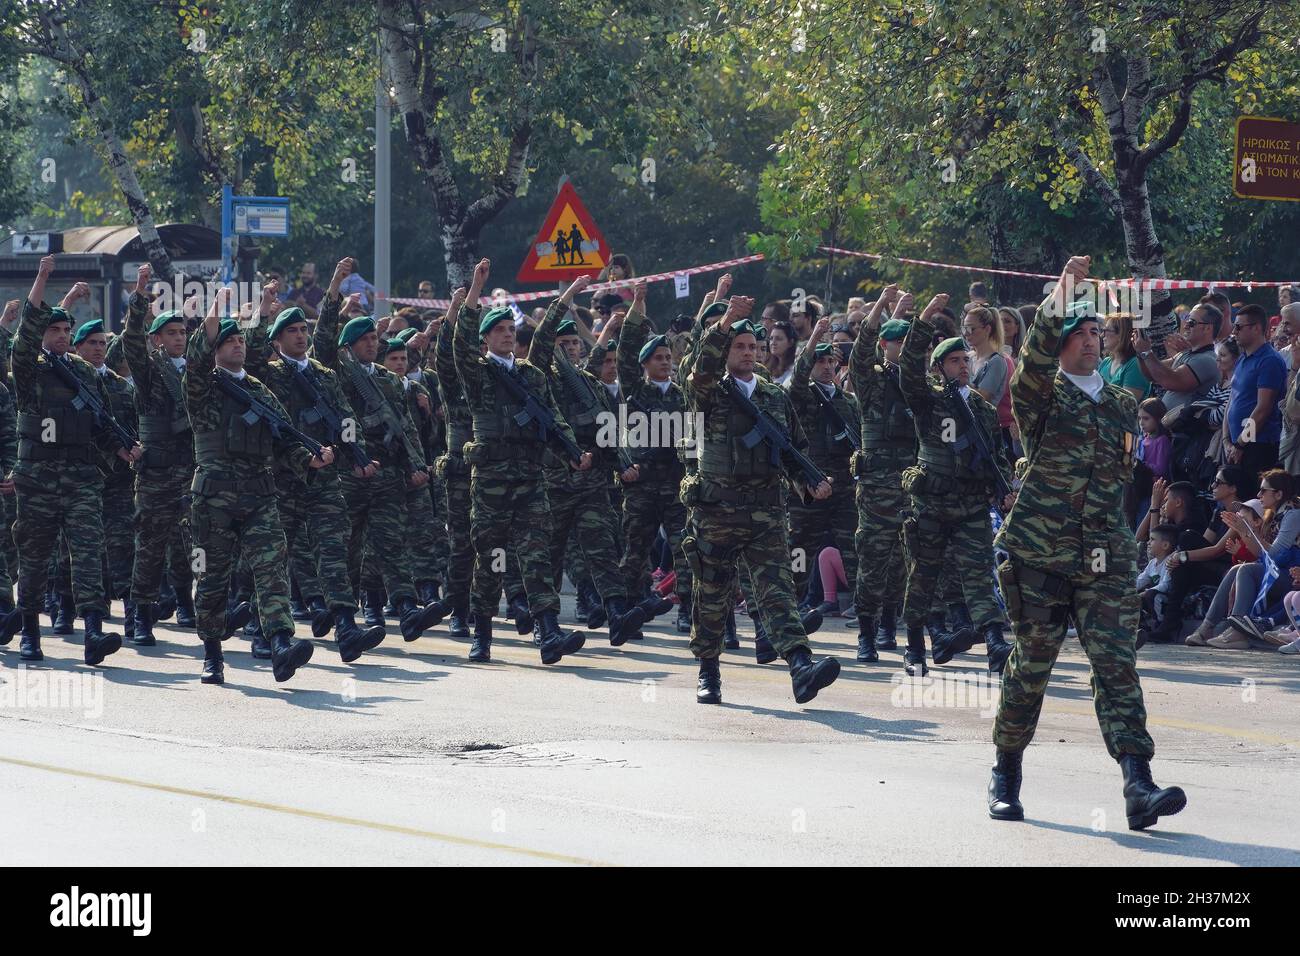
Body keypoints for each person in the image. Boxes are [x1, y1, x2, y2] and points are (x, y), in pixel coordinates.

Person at [989, 254, 1186, 831]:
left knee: (1117, 665)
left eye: (1097, 330)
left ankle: (1137, 782)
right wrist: (1063, 293)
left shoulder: (1123, 403)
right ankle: (1006, 773)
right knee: (1032, 666)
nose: (1092, 340)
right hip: (1042, 555)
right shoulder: (1042, 395)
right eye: (1080, 331)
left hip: (1105, 558)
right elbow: (1031, 357)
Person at [680, 293, 840, 705]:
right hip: (717, 510)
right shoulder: (710, 392)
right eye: (739, 346)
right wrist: (724, 322)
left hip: (766, 512)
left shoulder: (773, 397)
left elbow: (793, 451)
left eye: (752, 346)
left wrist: (809, 484)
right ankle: (709, 670)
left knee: (777, 591)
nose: (748, 353)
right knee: (712, 593)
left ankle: (801, 665)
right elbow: (701, 369)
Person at [184, 287, 332, 684]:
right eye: (228, 340)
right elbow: (196, 360)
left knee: (271, 569)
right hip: (214, 497)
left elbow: (285, 439)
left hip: (259, 495)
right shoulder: (202, 386)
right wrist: (214, 309)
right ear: (214, 347)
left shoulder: (259, 391)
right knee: (212, 577)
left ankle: (281, 644)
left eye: (239, 340)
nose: (235, 345)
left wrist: (310, 458)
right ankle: (212, 653)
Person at [0, 258, 142, 663]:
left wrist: (120, 448)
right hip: (38, 478)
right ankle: (29, 631)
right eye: (54, 330)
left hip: (81, 478)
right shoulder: (28, 369)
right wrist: (43, 278)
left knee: (88, 551)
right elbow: (25, 335)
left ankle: (94, 632)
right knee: (35, 555)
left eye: (66, 329)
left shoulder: (84, 371)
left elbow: (99, 420)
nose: (61, 335)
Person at [241, 284, 388, 665]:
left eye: (304, 330)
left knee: (333, 552)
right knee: (272, 558)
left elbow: (345, 419)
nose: (301, 336)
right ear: (276, 340)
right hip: (281, 480)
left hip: (324, 478)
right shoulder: (268, 375)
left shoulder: (323, 374)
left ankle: (346, 626)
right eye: (292, 331)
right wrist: (263, 311)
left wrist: (356, 455)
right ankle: (261, 629)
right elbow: (253, 357)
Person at [453, 258, 589, 664]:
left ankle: (548, 632)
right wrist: (475, 292)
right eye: (499, 331)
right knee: (491, 559)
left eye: (512, 330)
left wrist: (571, 450)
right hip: (492, 482)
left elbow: (547, 349)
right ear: (485, 339)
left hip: (530, 481)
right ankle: (483, 632)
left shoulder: (532, 376)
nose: (508, 336)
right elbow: (457, 343)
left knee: (535, 555)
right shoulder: (477, 373)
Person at [312, 259, 447, 643]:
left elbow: (405, 428)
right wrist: (335, 284)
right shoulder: (337, 371)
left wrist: (415, 467)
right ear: (349, 346)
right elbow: (323, 337)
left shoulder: (389, 381)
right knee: (347, 550)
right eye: (364, 340)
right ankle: (343, 619)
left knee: (392, 545)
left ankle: (406, 609)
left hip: (386, 476)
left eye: (374, 338)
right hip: (349, 476)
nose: (373, 344)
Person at [898, 294, 1013, 675]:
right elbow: (908, 374)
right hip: (932, 504)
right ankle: (915, 645)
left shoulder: (981, 408)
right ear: (938, 367)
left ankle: (996, 641)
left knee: (980, 572)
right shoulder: (928, 401)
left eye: (966, 360)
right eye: (954, 361)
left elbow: (996, 454)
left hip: (971, 505)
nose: (963, 366)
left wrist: (1004, 487)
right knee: (924, 574)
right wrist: (924, 323)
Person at [121, 265, 199, 645]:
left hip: (191, 472)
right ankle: (140, 615)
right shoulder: (150, 369)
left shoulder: (197, 371)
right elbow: (131, 340)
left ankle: (188, 603)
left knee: (192, 545)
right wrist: (139, 296)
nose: (180, 338)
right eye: (172, 332)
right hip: (155, 475)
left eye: (183, 332)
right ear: (157, 339)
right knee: (150, 548)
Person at [617, 281, 692, 633]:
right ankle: (632, 610)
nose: (664, 362)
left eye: (667, 358)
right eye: (657, 359)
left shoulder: (682, 396)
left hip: (675, 485)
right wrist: (638, 310)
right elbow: (625, 350)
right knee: (635, 551)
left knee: (685, 550)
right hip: (643, 486)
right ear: (645, 364)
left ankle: (688, 610)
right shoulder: (635, 391)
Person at [848, 288, 914, 659]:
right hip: (877, 488)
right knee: (873, 559)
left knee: (902, 562)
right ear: (885, 345)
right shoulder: (872, 381)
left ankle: (890, 624)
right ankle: (866, 632)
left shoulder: (918, 384)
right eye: (898, 341)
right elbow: (860, 352)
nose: (904, 347)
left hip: (910, 484)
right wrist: (879, 311)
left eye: (908, 341)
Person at [785, 316, 860, 630]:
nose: (827, 366)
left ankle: (862, 607)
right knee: (801, 547)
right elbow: (799, 379)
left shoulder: (848, 402)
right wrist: (814, 337)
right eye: (821, 361)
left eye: (831, 360)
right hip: (811, 485)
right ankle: (794, 604)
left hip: (843, 486)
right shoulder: (802, 396)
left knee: (853, 545)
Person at [1224, 303, 1285, 491]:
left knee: (1253, 503)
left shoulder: (1270, 361)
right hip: (1237, 445)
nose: (1234, 332)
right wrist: (1227, 439)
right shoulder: (1243, 358)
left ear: (1257, 328)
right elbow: (1232, 400)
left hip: (1258, 446)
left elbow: (1263, 409)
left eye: (1239, 327)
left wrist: (1241, 443)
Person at [1133, 303, 1221, 411]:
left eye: (1191, 322)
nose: (1185, 326)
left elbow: (1171, 381)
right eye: (1187, 320)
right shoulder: (1186, 353)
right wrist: (1140, 352)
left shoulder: (1207, 360)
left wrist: (1146, 352)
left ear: (1207, 328)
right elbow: (1151, 374)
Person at [1098, 312, 1149, 402]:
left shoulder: (1135, 365)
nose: (1102, 335)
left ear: (1121, 335)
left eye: (1106, 331)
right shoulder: (1106, 362)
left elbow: (1127, 405)